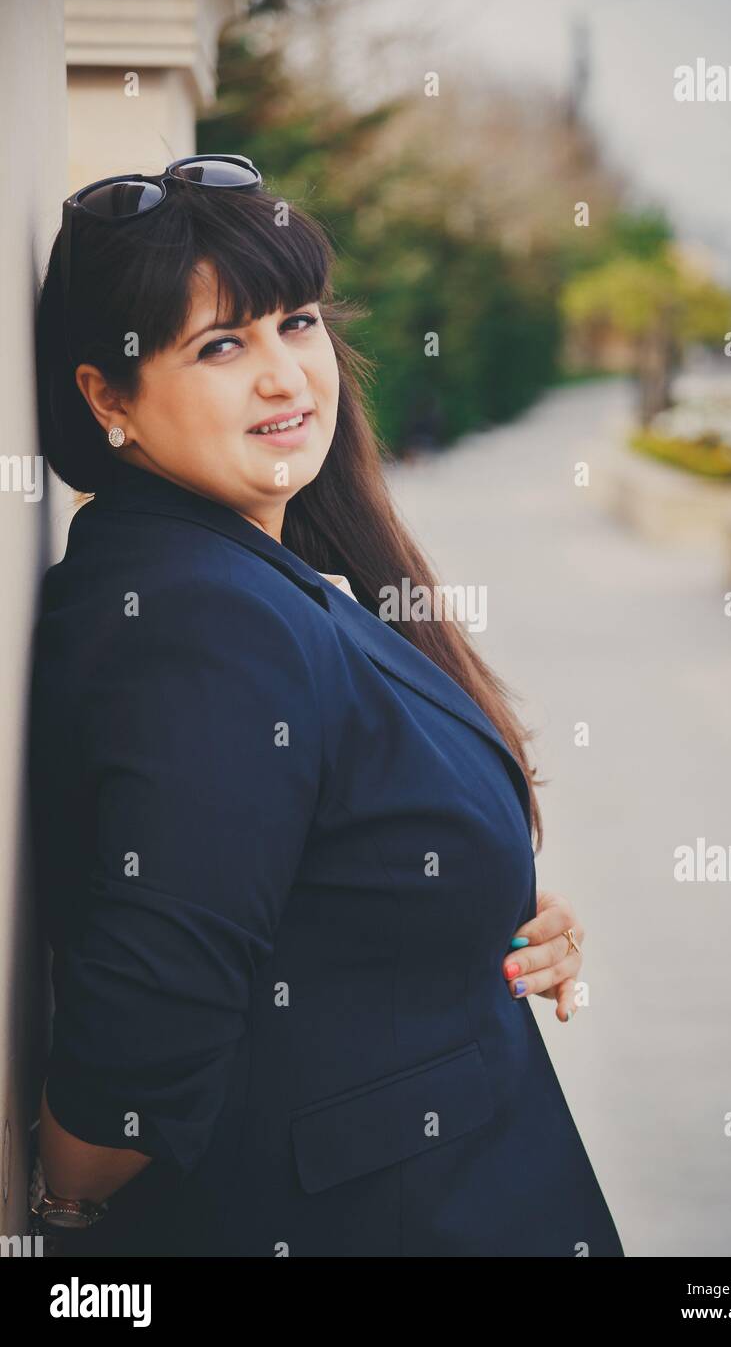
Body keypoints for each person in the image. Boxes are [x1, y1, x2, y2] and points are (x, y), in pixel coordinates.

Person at [27, 155, 624, 1257]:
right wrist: (63, 1216)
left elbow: (294, 882)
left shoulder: (243, 569)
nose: (284, 377)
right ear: (106, 394)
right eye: (220, 345)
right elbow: (148, 1019)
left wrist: (475, 922)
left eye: (294, 323)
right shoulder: (198, 616)